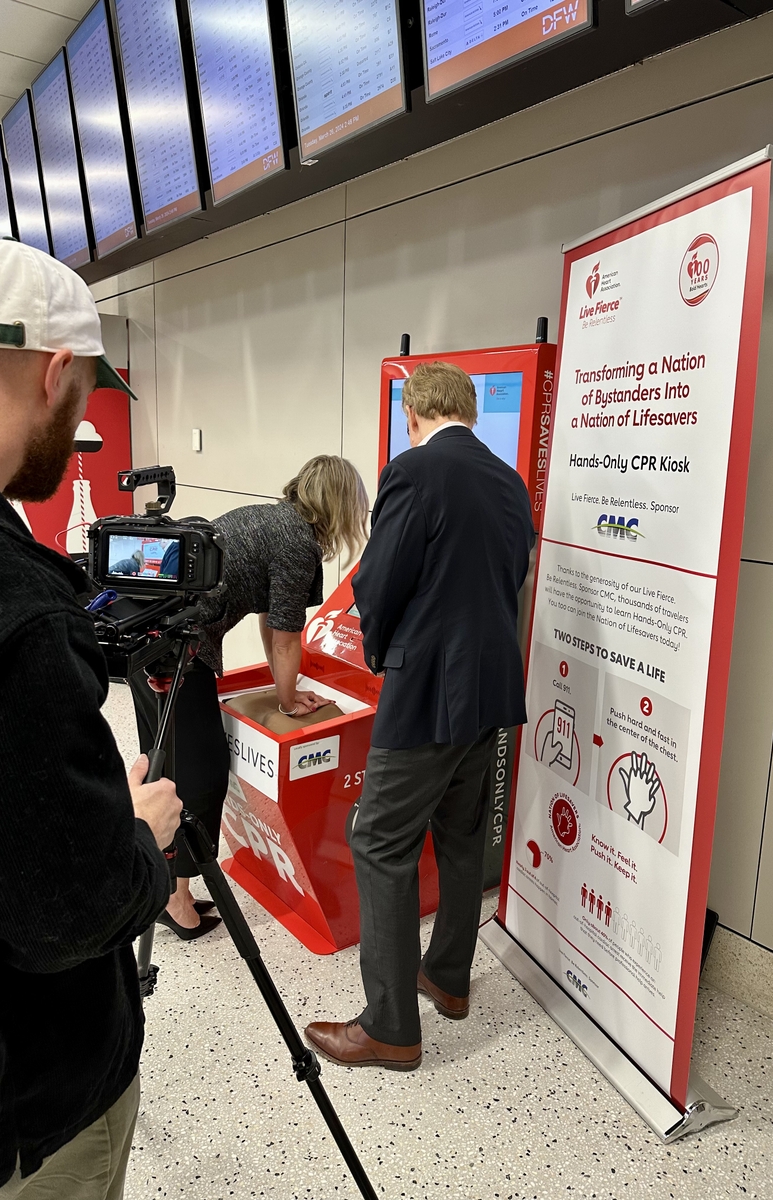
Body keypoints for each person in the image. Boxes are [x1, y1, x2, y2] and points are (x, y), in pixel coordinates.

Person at [0, 239, 182, 1200]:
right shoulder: (8, 602)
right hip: (15, 1116)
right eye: (86, 389)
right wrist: (141, 838)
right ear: (54, 372)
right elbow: (67, 913)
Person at [305, 361, 535, 1070]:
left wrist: (382, 652)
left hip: (431, 690)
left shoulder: (413, 470)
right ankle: (449, 975)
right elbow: (510, 576)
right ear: (469, 410)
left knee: (378, 840)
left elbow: (381, 578)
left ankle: (390, 1027)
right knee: (462, 837)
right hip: (492, 691)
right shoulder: (511, 483)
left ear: (415, 413)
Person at [129, 455, 369, 937]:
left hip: (146, 643)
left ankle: (164, 885)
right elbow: (284, 637)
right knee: (199, 775)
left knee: (164, 764)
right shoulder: (299, 541)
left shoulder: (268, 516)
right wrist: (288, 700)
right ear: (340, 504)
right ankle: (174, 899)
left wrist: (285, 692)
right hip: (179, 653)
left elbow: (271, 620)